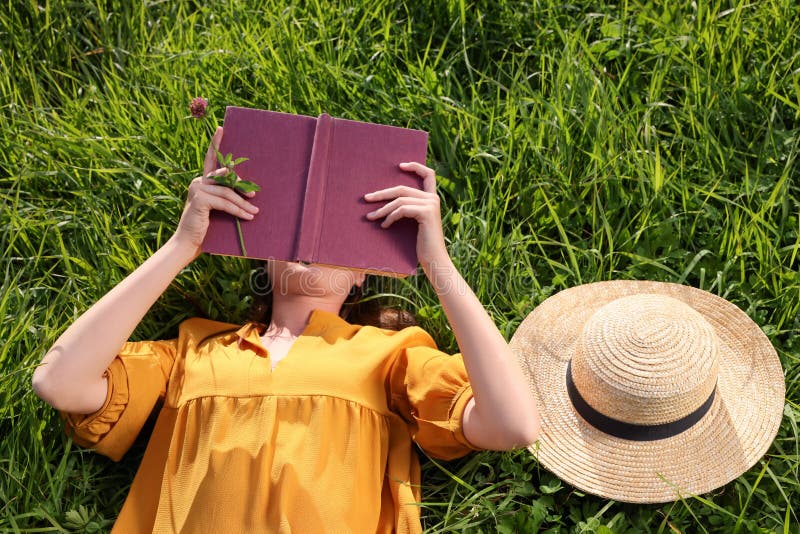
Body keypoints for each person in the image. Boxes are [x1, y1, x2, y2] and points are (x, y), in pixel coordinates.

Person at [32, 127, 539, 533]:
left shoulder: (390, 356)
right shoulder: (195, 350)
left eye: (333, 235)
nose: (309, 242)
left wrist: (437, 264)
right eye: (291, 230)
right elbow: (59, 383)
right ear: (262, 252)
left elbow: (512, 425)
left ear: (362, 273)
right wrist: (181, 246)